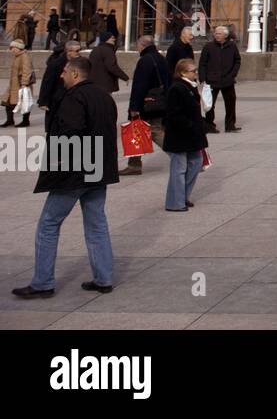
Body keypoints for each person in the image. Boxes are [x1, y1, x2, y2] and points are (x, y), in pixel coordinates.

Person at [12, 57, 118, 299]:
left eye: (64, 73)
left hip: (75, 173)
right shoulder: (104, 97)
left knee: (48, 224)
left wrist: (57, 166)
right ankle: (104, 278)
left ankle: (42, 283)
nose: (61, 76)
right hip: (98, 170)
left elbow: (70, 133)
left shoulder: (74, 98)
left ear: (75, 74)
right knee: (97, 224)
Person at [121, 35, 170, 176]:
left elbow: (139, 86)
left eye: (137, 45)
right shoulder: (160, 58)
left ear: (141, 45)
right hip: (159, 102)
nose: (136, 48)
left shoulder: (145, 61)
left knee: (153, 131)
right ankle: (134, 164)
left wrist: (134, 108)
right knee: (137, 132)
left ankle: (178, 154)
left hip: (147, 104)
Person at [162, 59, 207, 211]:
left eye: (196, 70)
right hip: (180, 135)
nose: (196, 73)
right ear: (182, 73)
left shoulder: (190, 86)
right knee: (179, 168)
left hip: (191, 134)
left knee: (196, 162)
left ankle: (183, 196)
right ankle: (175, 202)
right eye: (193, 71)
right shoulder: (177, 88)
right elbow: (173, 114)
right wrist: (189, 125)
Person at [198, 26, 241, 133]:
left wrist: (233, 74)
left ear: (225, 36)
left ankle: (230, 125)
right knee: (210, 104)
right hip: (212, 80)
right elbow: (202, 63)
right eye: (216, 33)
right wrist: (202, 78)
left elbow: (237, 61)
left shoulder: (232, 46)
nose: (216, 35)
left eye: (219, 34)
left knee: (231, 103)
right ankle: (209, 126)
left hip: (228, 80)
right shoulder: (208, 46)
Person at [37, 41, 82, 115]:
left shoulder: (82, 63)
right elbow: (47, 82)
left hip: (77, 97)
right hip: (59, 98)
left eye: (79, 50)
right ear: (69, 51)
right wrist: (43, 101)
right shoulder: (56, 64)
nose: (78, 53)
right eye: (77, 51)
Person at [3, 40, 34, 127]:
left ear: (19, 48)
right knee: (7, 102)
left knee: (25, 102)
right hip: (14, 84)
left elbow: (27, 71)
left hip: (21, 84)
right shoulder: (17, 56)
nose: (11, 50)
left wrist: (24, 83)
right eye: (11, 48)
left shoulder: (24, 56)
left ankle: (25, 121)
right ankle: (10, 120)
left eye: (13, 48)